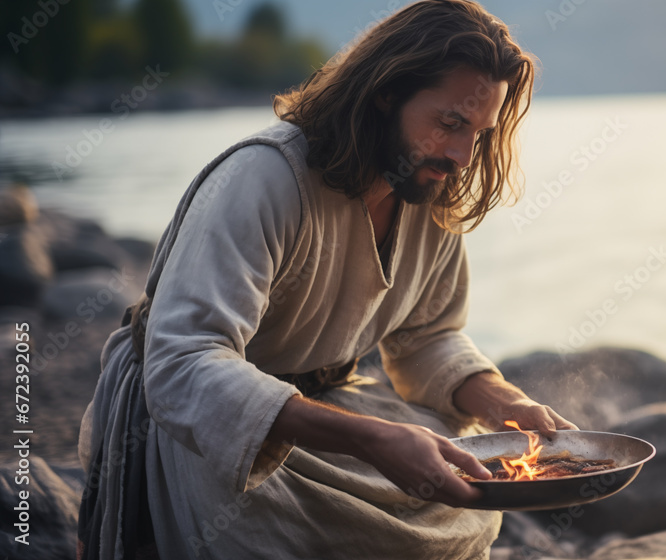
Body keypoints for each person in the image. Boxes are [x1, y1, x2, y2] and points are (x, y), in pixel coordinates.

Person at [76, 1, 577, 558]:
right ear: (385, 92)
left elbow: (427, 337)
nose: (461, 155)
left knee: (462, 501)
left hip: (327, 403)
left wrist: (503, 401)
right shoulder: (264, 178)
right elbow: (183, 364)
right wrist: (373, 439)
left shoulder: (427, 191)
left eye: (477, 134)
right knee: (270, 534)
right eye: (449, 123)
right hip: (209, 424)